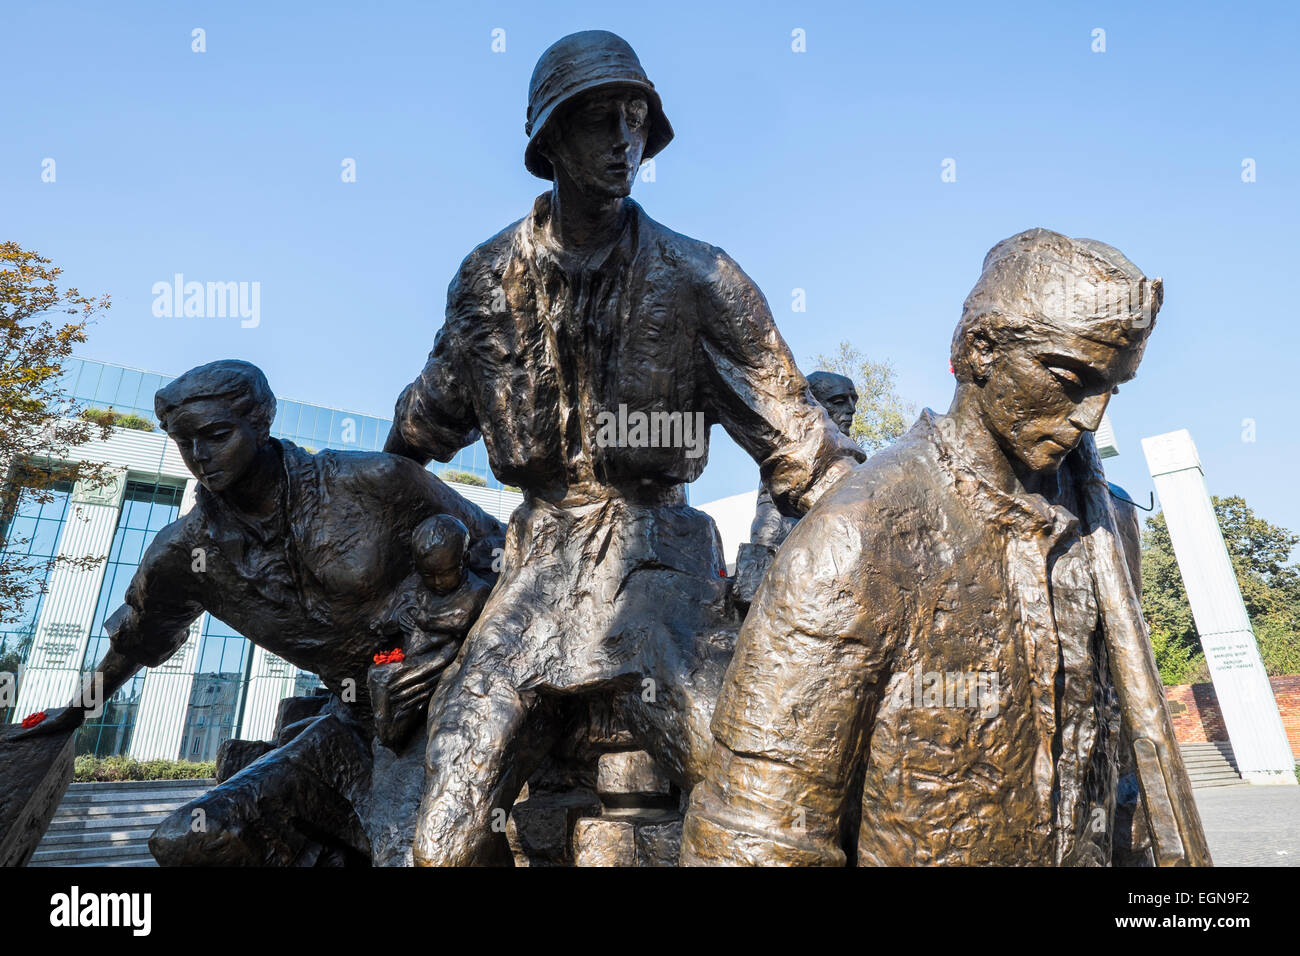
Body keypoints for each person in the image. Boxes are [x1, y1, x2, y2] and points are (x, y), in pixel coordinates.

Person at [384, 30, 863, 866]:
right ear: (550, 139)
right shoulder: (484, 280)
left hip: (658, 569)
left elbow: (808, 454)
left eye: (636, 120)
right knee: (440, 838)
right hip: (533, 578)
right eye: (600, 120)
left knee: (753, 797)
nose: (623, 142)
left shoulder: (701, 278)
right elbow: (423, 424)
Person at [682, 229, 1164, 866]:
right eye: (1070, 376)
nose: (1091, 418)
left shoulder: (1108, 527)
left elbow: (1121, 780)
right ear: (981, 348)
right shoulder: (860, 535)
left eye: (1113, 387)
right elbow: (759, 834)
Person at [44, 360, 504, 865]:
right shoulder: (183, 557)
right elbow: (135, 640)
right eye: (184, 442)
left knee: (426, 850)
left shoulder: (377, 480)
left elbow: (509, 556)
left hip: (461, 697)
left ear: (261, 422)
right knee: (190, 837)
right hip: (355, 724)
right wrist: (71, 714)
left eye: (217, 435)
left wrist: (441, 649)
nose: (201, 456)